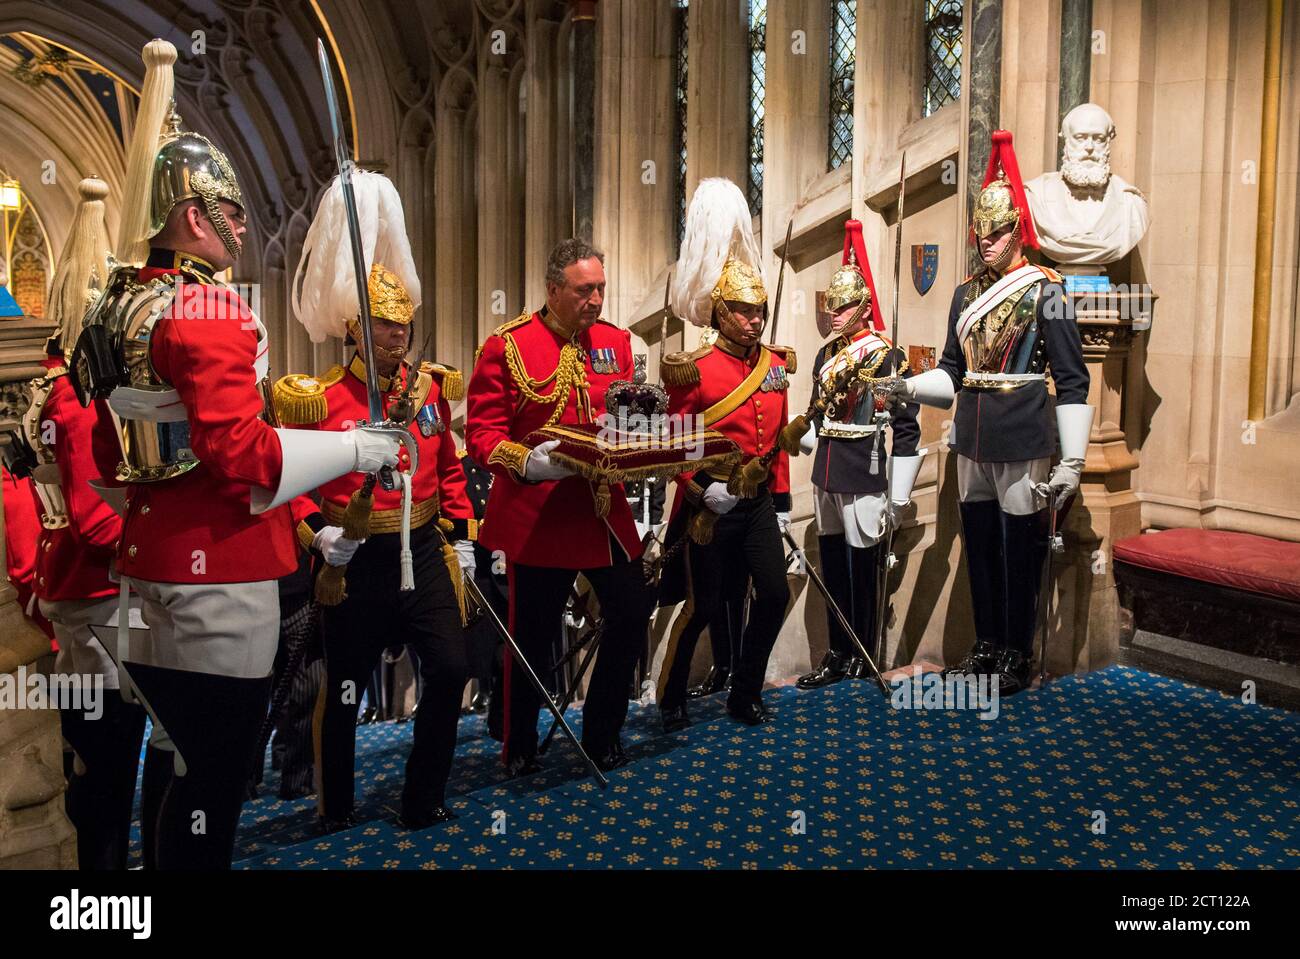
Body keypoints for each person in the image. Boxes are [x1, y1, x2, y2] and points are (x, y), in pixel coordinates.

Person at [75, 41, 402, 868]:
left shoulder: (123, 306)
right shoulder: (210, 307)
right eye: (231, 208)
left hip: (149, 563)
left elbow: (118, 461)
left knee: (174, 762)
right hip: (215, 578)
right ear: (194, 215)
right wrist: (355, 446)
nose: (243, 223)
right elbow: (243, 454)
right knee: (215, 783)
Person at [277, 171, 475, 831]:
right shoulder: (316, 398)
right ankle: (335, 804)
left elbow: (448, 465)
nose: (398, 338)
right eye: (385, 328)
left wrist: (464, 536)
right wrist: (316, 537)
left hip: (420, 549)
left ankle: (423, 794)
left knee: (451, 666)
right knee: (345, 691)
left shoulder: (429, 389)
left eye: (403, 326)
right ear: (354, 331)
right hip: (353, 563)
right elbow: (288, 486)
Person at [891, 130, 1093, 695]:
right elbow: (953, 372)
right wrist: (907, 388)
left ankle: (1015, 652)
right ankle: (985, 643)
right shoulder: (962, 296)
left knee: (1018, 546)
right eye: (980, 231)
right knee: (979, 543)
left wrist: (1072, 461)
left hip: (1022, 432)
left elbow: (1073, 379)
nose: (986, 241)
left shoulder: (1046, 290)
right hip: (972, 436)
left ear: (1018, 231)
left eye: (998, 231)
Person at [465, 237, 655, 776]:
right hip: (539, 514)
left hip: (601, 512)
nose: (595, 300)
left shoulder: (615, 342)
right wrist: (527, 463)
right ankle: (519, 743)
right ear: (553, 290)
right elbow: (480, 433)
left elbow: (626, 416)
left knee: (631, 613)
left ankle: (602, 734)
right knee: (533, 635)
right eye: (583, 290)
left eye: (600, 288)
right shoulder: (508, 345)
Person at [21, 176, 145, 869]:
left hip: (81, 589)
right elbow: (96, 519)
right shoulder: (78, 397)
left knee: (100, 749)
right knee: (107, 751)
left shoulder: (60, 383)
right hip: (96, 593)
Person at [656, 177, 795, 732]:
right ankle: (671, 696)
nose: (755, 320)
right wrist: (696, 487)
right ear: (720, 312)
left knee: (775, 593)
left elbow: (778, 433)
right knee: (705, 607)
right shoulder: (691, 369)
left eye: (758, 310)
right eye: (743, 311)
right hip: (708, 508)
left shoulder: (775, 364)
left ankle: (746, 689)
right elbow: (672, 445)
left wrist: (780, 497)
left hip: (756, 502)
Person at [792, 220, 922, 688]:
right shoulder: (826, 356)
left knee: (863, 568)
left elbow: (906, 427)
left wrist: (900, 495)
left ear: (864, 307)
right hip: (827, 470)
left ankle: (863, 651)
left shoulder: (887, 356)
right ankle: (837, 651)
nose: (836, 313)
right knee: (832, 568)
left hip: (864, 469)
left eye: (845, 305)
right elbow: (817, 415)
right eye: (832, 305)